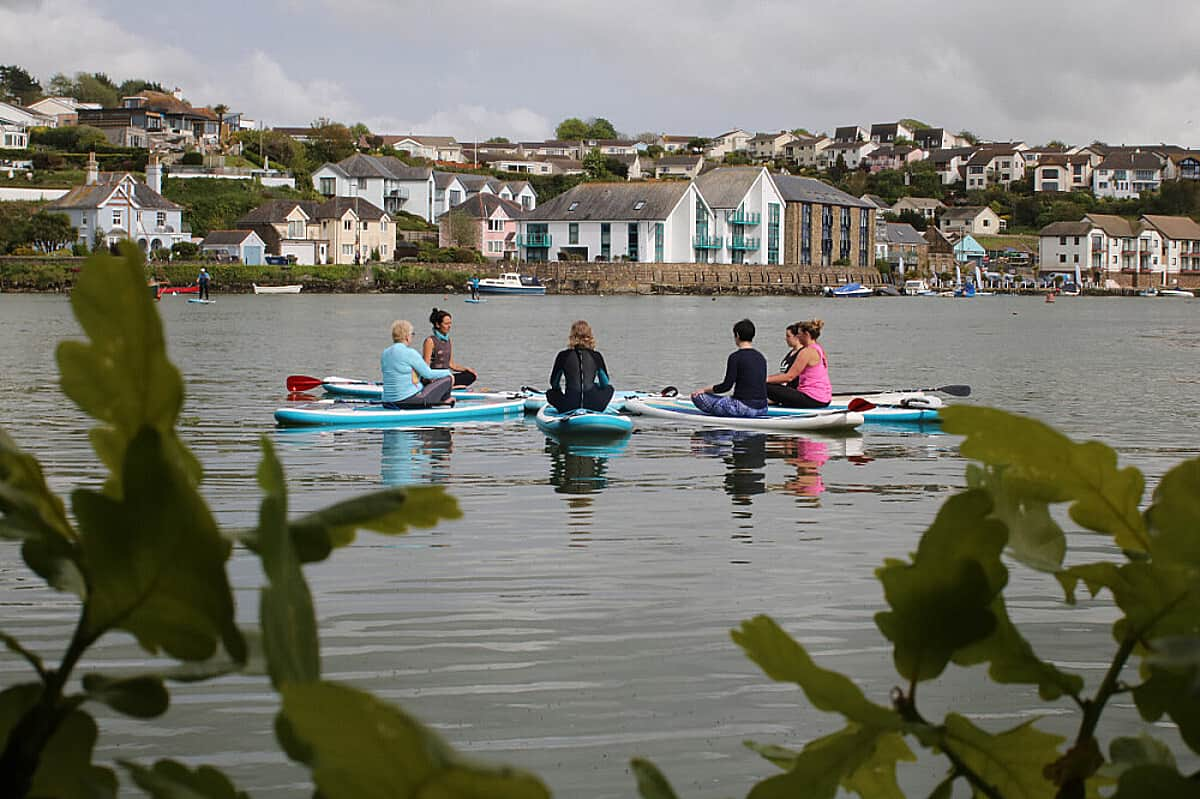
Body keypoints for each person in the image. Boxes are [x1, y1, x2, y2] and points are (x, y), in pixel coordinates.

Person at [691, 319, 768, 417]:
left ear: (737, 335)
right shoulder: (761, 357)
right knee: (727, 399)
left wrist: (704, 390)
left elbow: (726, 386)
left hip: (743, 408)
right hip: (763, 408)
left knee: (698, 396)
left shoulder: (735, 357)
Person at [380, 320, 454, 408]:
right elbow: (428, 374)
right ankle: (445, 402)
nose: (412, 337)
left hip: (387, 401)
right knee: (448, 378)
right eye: (412, 334)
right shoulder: (410, 353)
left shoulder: (385, 353)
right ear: (407, 336)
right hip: (408, 401)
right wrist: (448, 373)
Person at [547, 320, 614, 413]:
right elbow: (605, 384)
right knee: (609, 389)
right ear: (590, 336)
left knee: (550, 393)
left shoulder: (562, 355)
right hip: (595, 405)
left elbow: (554, 384)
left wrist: (562, 392)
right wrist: (595, 386)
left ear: (572, 336)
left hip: (569, 405)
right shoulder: (596, 356)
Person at [765, 320, 832, 408]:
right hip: (824, 398)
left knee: (765, 386)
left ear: (806, 334)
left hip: (812, 398)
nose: (798, 337)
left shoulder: (806, 352)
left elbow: (789, 377)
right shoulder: (819, 348)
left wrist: (763, 379)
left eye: (799, 334)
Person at [422, 308, 477, 388]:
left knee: (470, 375)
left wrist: (466, 369)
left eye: (450, 323)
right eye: (446, 323)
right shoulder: (430, 341)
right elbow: (425, 366)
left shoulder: (448, 341)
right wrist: (430, 378)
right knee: (445, 379)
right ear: (438, 324)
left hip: (446, 377)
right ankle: (449, 386)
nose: (449, 326)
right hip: (434, 378)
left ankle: (451, 386)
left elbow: (451, 364)